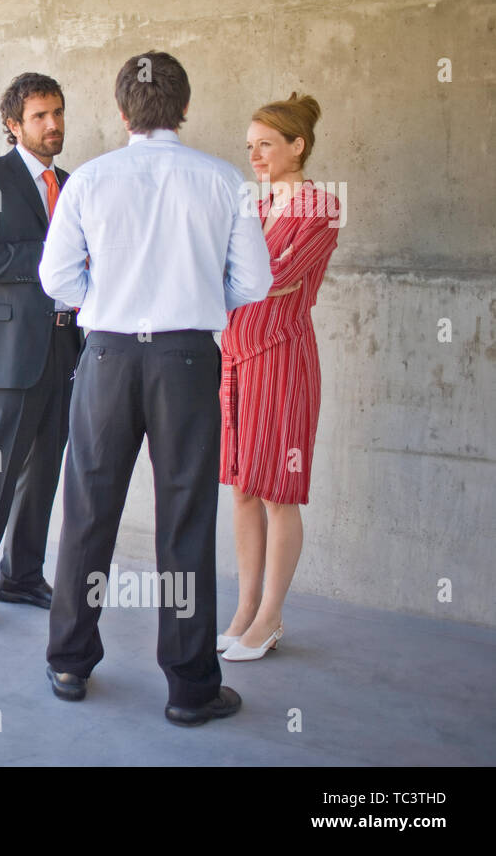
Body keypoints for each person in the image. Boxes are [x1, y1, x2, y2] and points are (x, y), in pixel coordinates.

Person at [38, 51, 272, 725]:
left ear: (122, 113)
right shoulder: (225, 180)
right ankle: (191, 687)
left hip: (108, 357)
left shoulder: (89, 180)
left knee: (87, 511)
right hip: (188, 362)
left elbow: (57, 279)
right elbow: (252, 283)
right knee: (187, 521)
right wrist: (198, 301)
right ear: (185, 108)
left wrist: (104, 304)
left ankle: (68, 661)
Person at [0, 72, 84, 631]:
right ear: (13, 125)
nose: (53, 125)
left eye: (58, 113)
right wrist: (53, 252)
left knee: (46, 465)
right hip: (5, 350)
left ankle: (22, 575)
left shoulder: (74, 185)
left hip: (66, 344)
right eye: (39, 116)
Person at [218, 94, 340, 662]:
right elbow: (241, 274)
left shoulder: (320, 204)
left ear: (298, 145)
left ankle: (270, 617)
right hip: (236, 353)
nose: (256, 155)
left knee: (277, 493)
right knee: (242, 488)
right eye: (250, 147)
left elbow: (268, 276)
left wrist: (233, 270)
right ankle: (244, 608)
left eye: (266, 144)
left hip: (282, 354)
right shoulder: (253, 204)